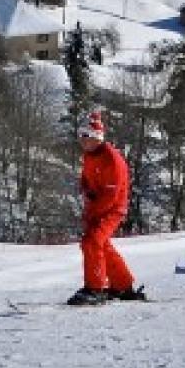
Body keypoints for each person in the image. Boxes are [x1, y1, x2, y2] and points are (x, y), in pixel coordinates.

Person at [71, 110, 144, 306]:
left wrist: (93, 214)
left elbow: (111, 197)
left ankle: (95, 289)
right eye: (80, 135)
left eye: (86, 136)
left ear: (96, 138)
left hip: (112, 209)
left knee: (92, 241)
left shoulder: (112, 160)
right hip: (96, 207)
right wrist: (85, 188)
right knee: (101, 244)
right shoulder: (89, 155)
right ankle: (123, 285)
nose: (82, 140)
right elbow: (86, 177)